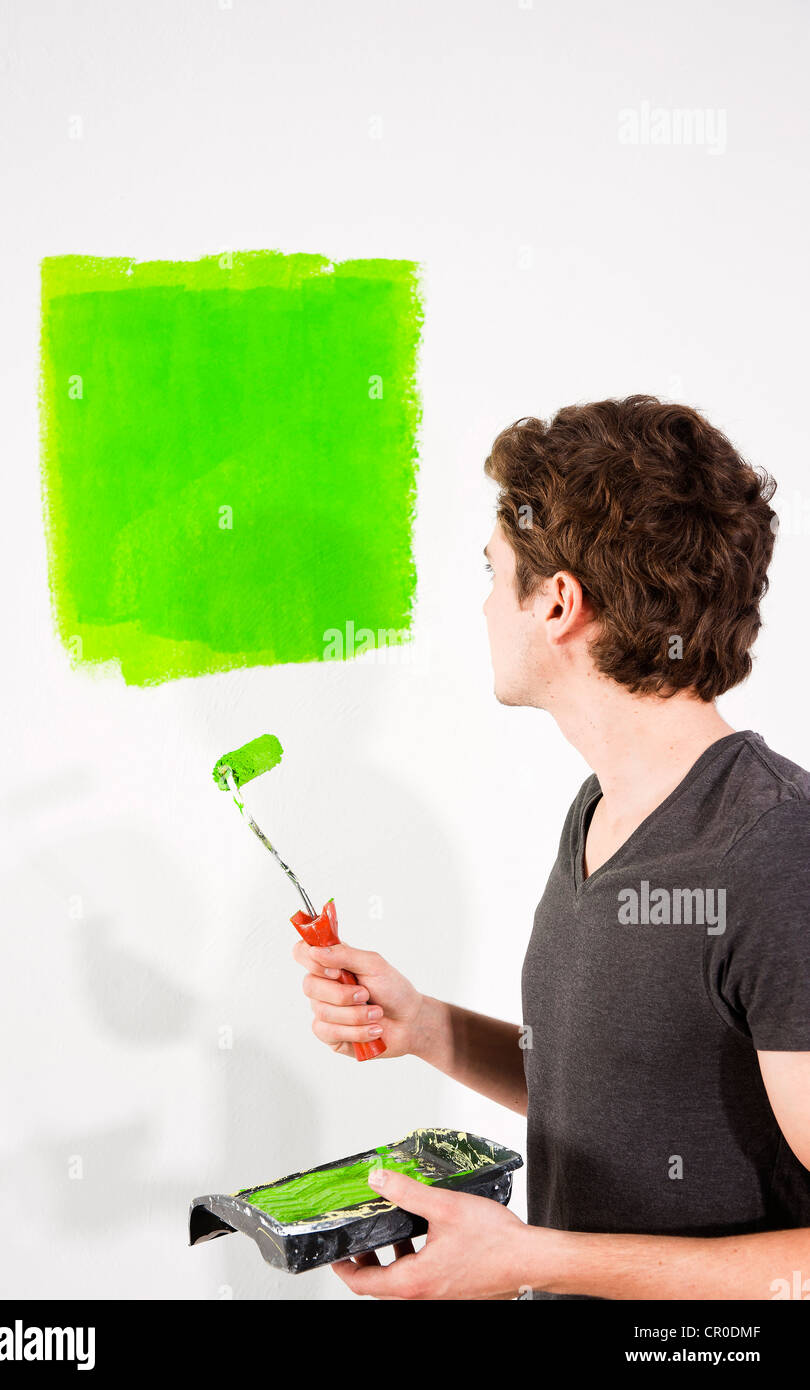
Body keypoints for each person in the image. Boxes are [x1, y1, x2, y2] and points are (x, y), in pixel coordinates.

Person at [292, 396, 810, 1300]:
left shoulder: (776, 854)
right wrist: (425, 1026)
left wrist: (534, 1259)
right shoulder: (600, 810)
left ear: (559, 602)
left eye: (495, 573)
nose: (486, 603)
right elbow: (633, 1099)